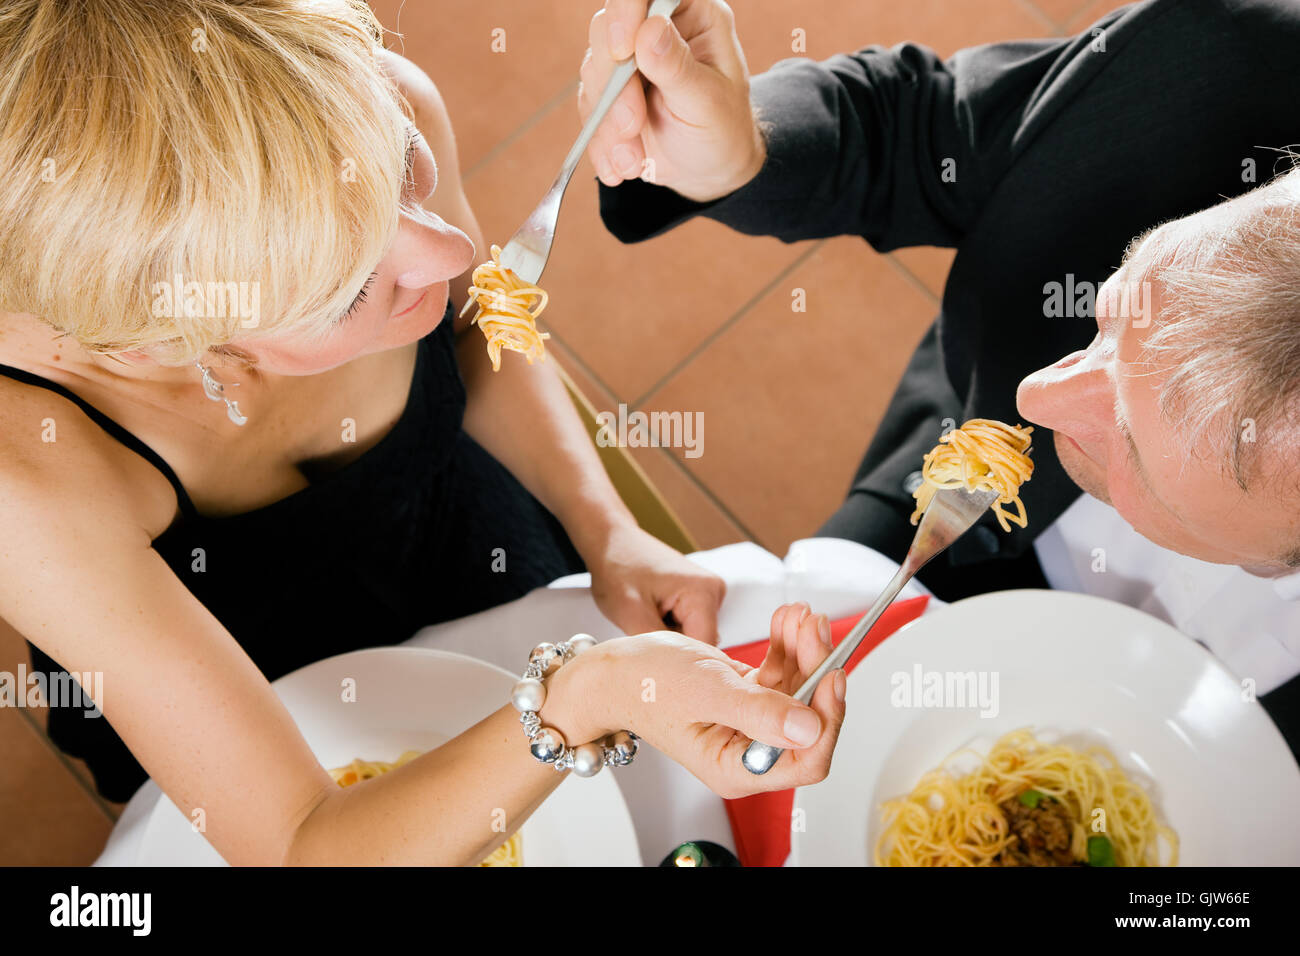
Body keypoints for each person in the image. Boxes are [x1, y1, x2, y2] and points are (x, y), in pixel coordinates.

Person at [0, 0, 845, 863]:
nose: (448, 256)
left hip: (458, 531)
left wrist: (609, 531)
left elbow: (480, 333)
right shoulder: (24, 475)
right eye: (344, 289)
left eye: (403, 169)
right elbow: (302, 842)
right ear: (162, 344)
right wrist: (582, 699)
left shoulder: (381, 96)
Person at [580, 0, 1300, 755]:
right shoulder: (1229, 57)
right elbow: (925, 128)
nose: (1031, 401)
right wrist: (738, 152)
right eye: (1111, 316)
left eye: (1136, 451)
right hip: (943, 529)